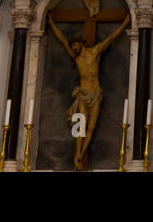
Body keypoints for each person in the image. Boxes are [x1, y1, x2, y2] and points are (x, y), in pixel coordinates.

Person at [48, 12, 129, 170]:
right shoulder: (75, 57)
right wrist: (51, 23)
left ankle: (81, 156)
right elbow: (62, 40)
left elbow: (111, 38)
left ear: (80, 43)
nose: (73, 48)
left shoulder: (95, 52)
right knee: (79, 128)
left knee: (91, 128)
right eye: (72, 47)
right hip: (82, 95)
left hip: (96, 94)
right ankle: (76, 156)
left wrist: (125, 22)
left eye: (75, 45)